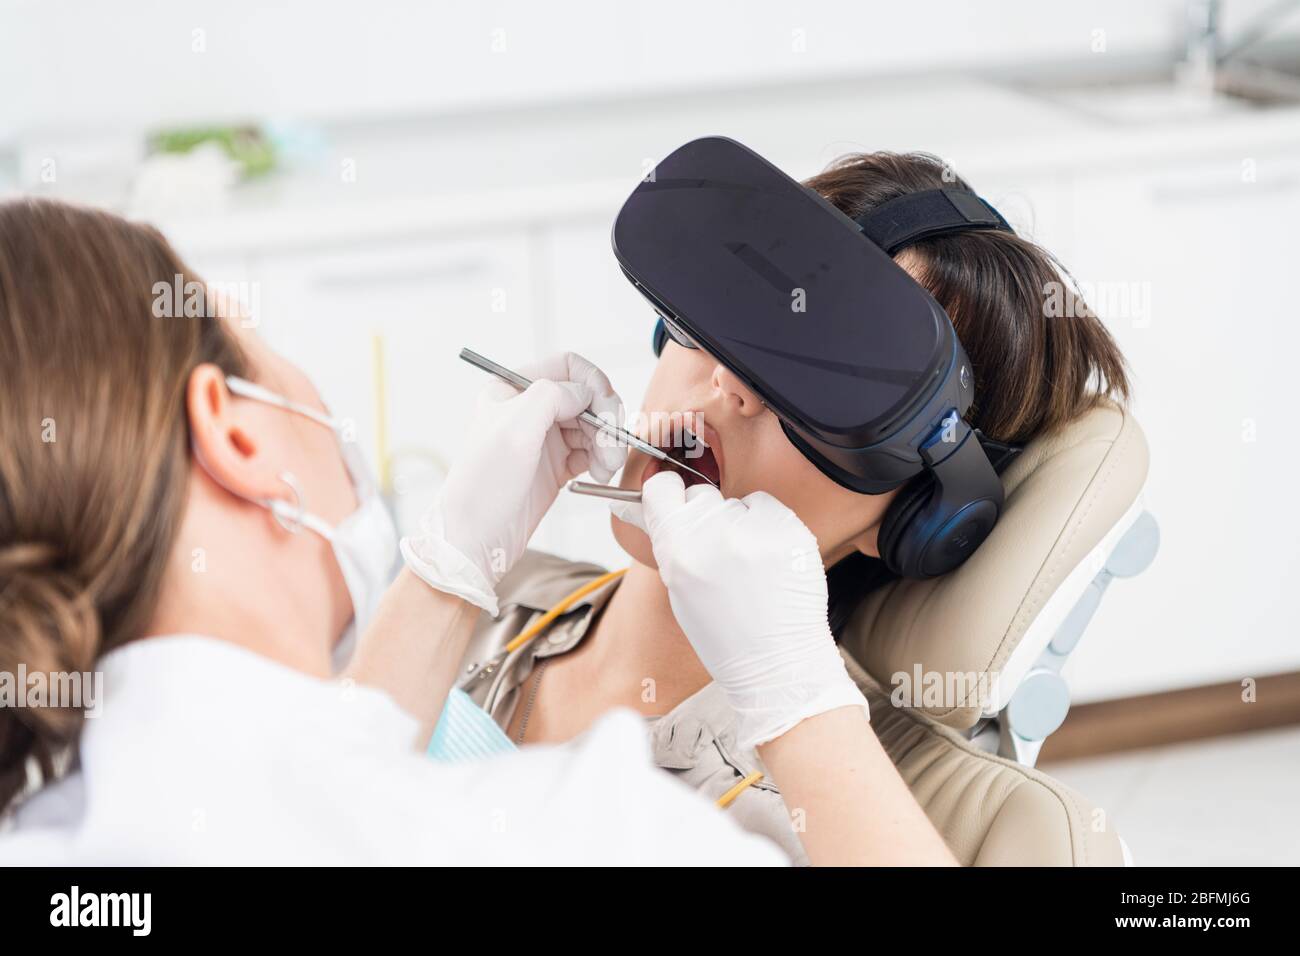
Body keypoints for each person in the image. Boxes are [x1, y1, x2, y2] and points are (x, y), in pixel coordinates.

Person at [0, 197, 930, 865]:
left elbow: (327, 785)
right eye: (730, 319)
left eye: (831, 378)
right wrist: (799, 699)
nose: (735, 381)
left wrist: (447, 569)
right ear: (234, 434)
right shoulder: (593, 836)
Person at [454, 150, 1132, 865]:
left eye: (834, 383)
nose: (731, 382)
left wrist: (793, 700)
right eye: (743, 310)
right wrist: (444, 567)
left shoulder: (805, 822)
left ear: (923, 515)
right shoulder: (486, 601)